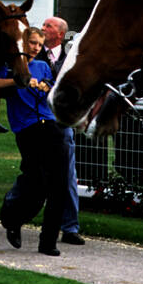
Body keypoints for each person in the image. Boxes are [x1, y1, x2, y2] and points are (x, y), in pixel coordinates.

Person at [0, 27, 68, 256]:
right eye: (32, 43)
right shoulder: (9, 67)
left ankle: (48, 242)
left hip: (50, 126)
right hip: (27, 129)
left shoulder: (42, 66)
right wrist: (17, 81)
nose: (35, 48)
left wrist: (45, 86)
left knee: (59, 184)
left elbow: (51, 89)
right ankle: (12, 218)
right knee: (35, 181)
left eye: (39, 45)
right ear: (23, 43)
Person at [41, 15, 84, 246]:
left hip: (60, 123)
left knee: (67, 175)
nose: (43, 28)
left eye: (48, 26)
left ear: (60, 33)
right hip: (36, 123)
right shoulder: (32, 55)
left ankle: (70, 227)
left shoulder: (70, 60)